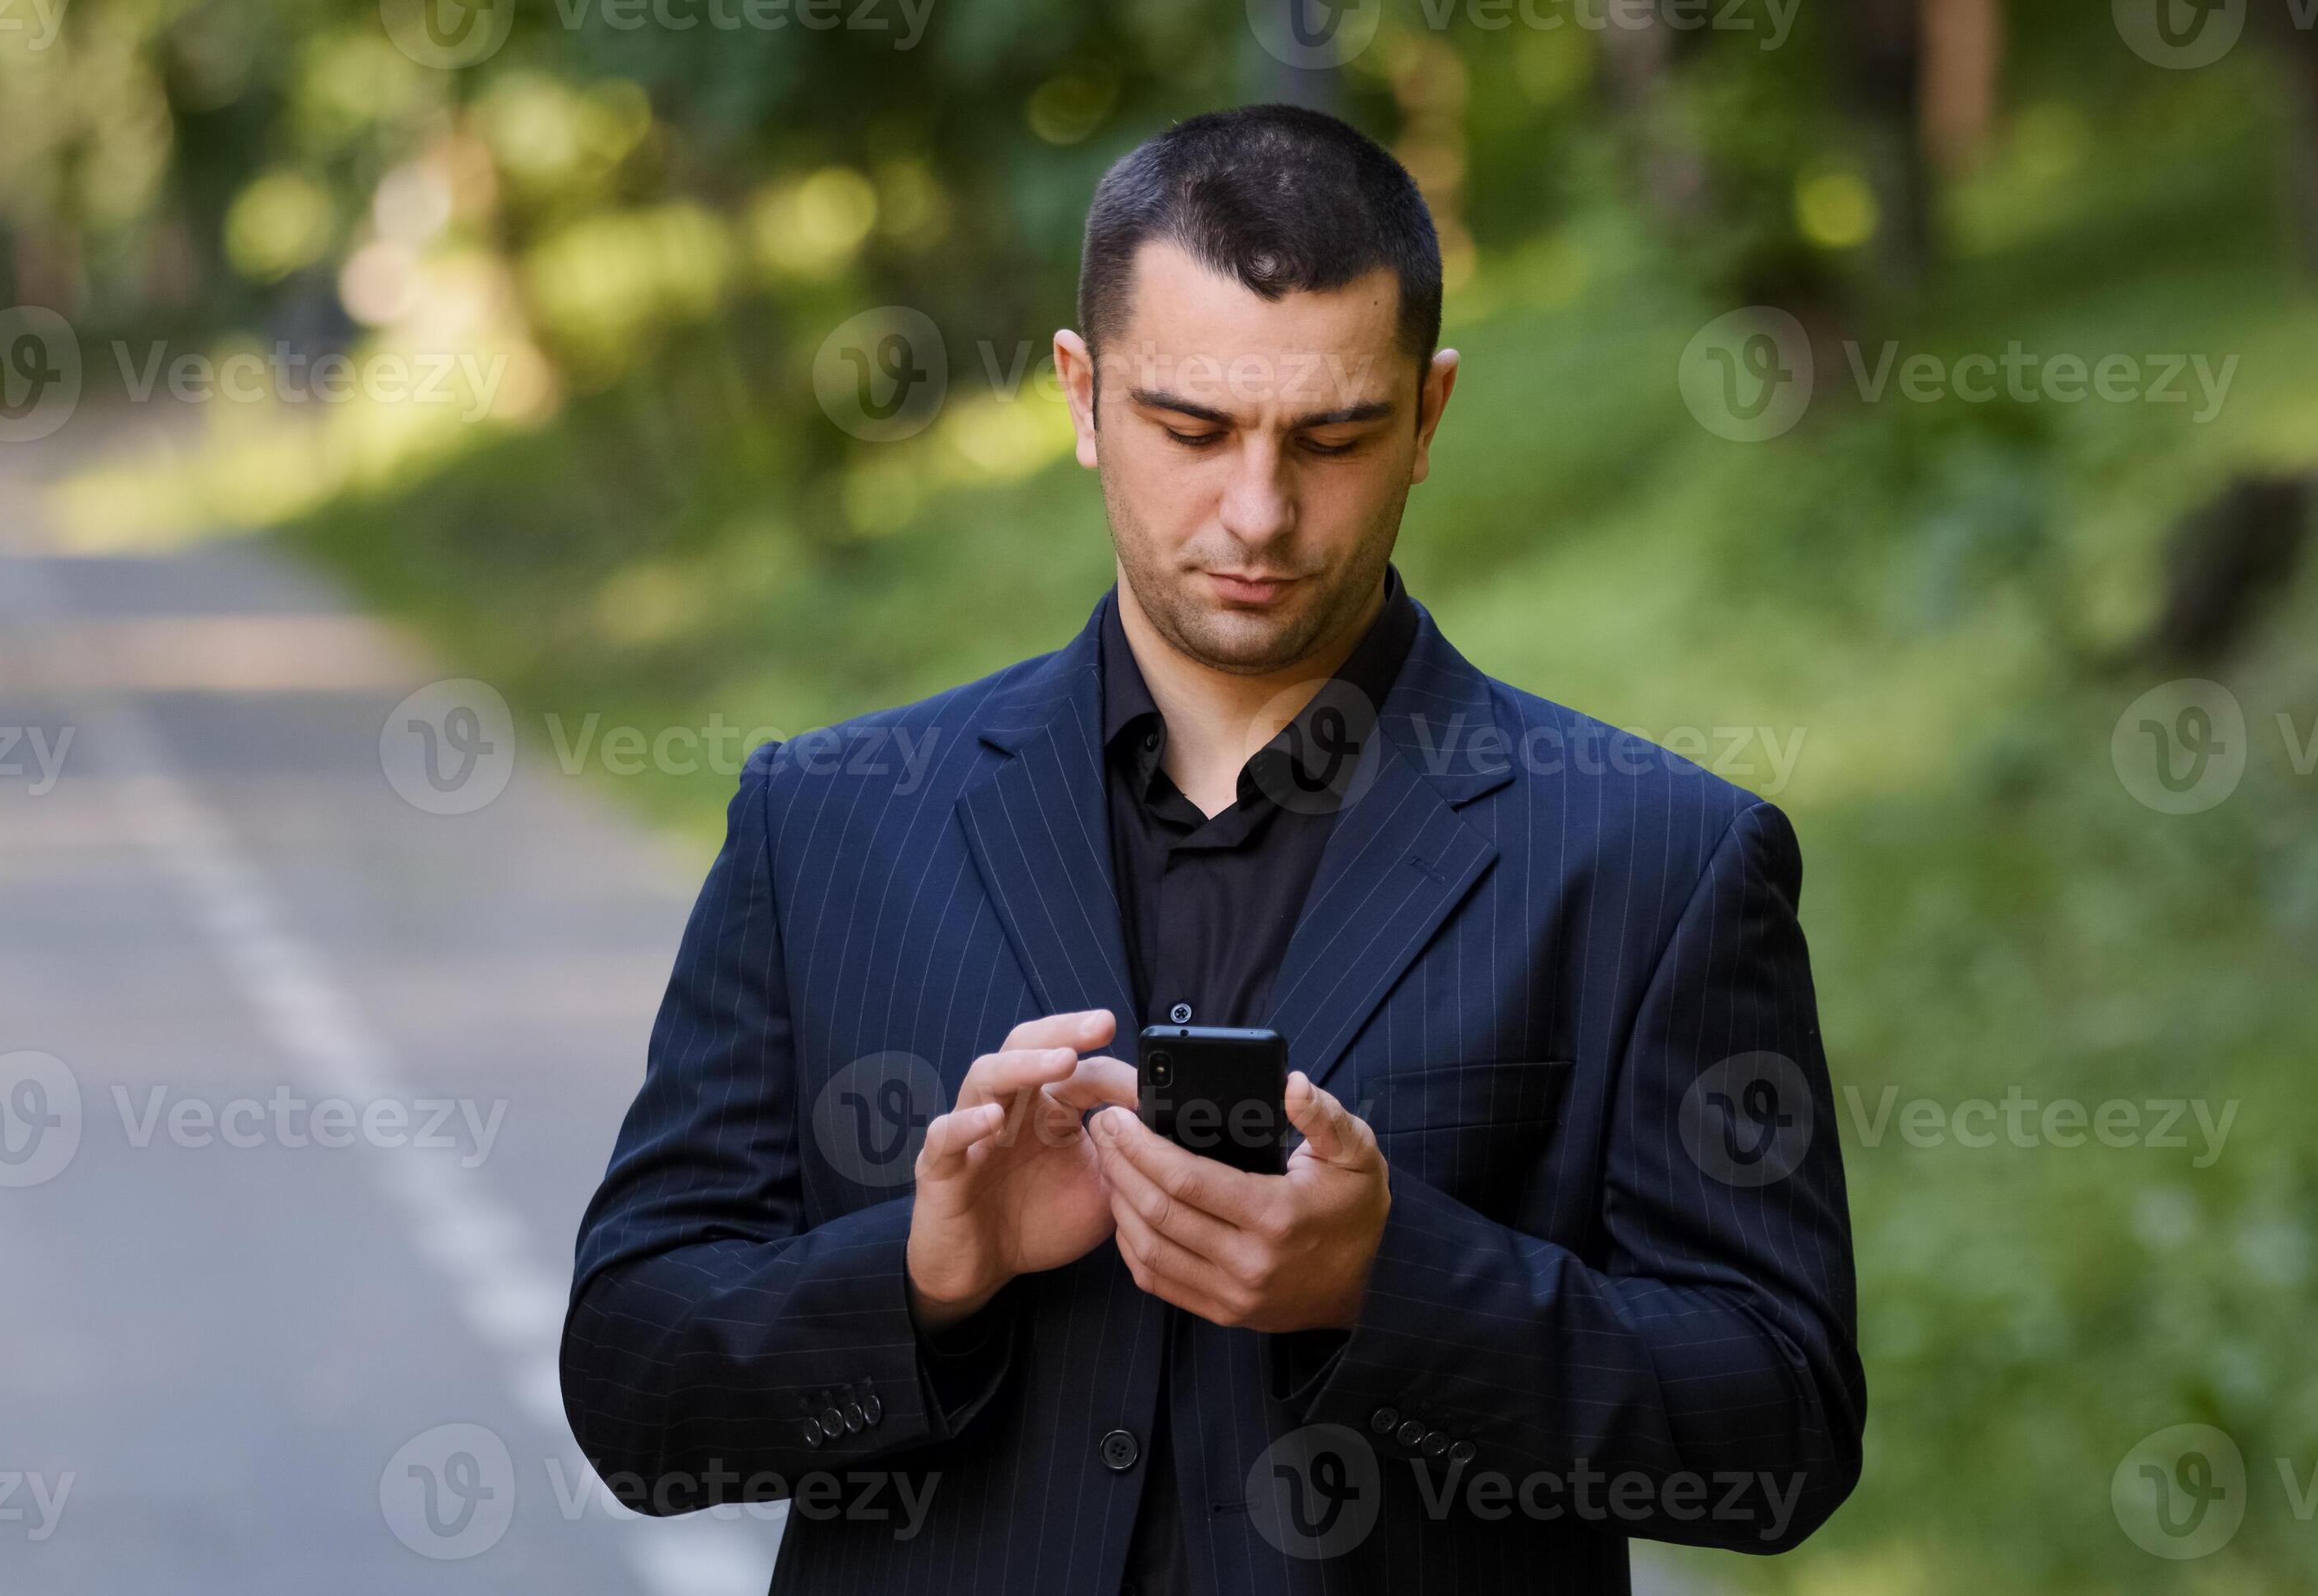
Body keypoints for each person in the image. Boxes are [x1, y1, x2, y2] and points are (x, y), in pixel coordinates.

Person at [562, 103, 1863, 1594]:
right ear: (1082, 393)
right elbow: (635, 1397)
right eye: (1193, 430)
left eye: (1333, 437)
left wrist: (1393, 1287)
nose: (1259, 513)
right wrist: (924, 1279)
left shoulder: (1658, 859)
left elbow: (1787, 1422)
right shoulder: (825, 825)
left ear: (1429, 418)